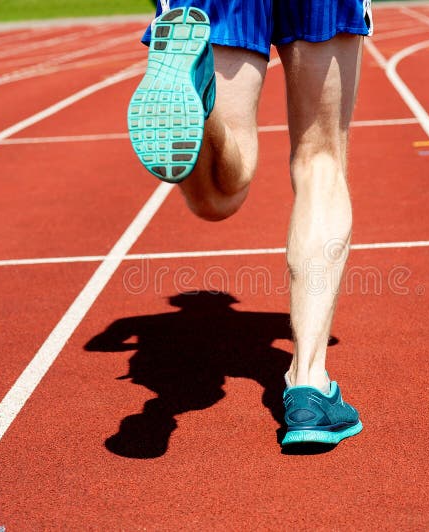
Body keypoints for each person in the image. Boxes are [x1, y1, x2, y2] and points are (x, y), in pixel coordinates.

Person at [126, 0, 372, 447]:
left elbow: (101, 345)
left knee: (219, 197)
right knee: (321, 161)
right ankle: (310, 387)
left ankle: (203, 107)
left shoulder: (145, 324)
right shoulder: (257, 322)